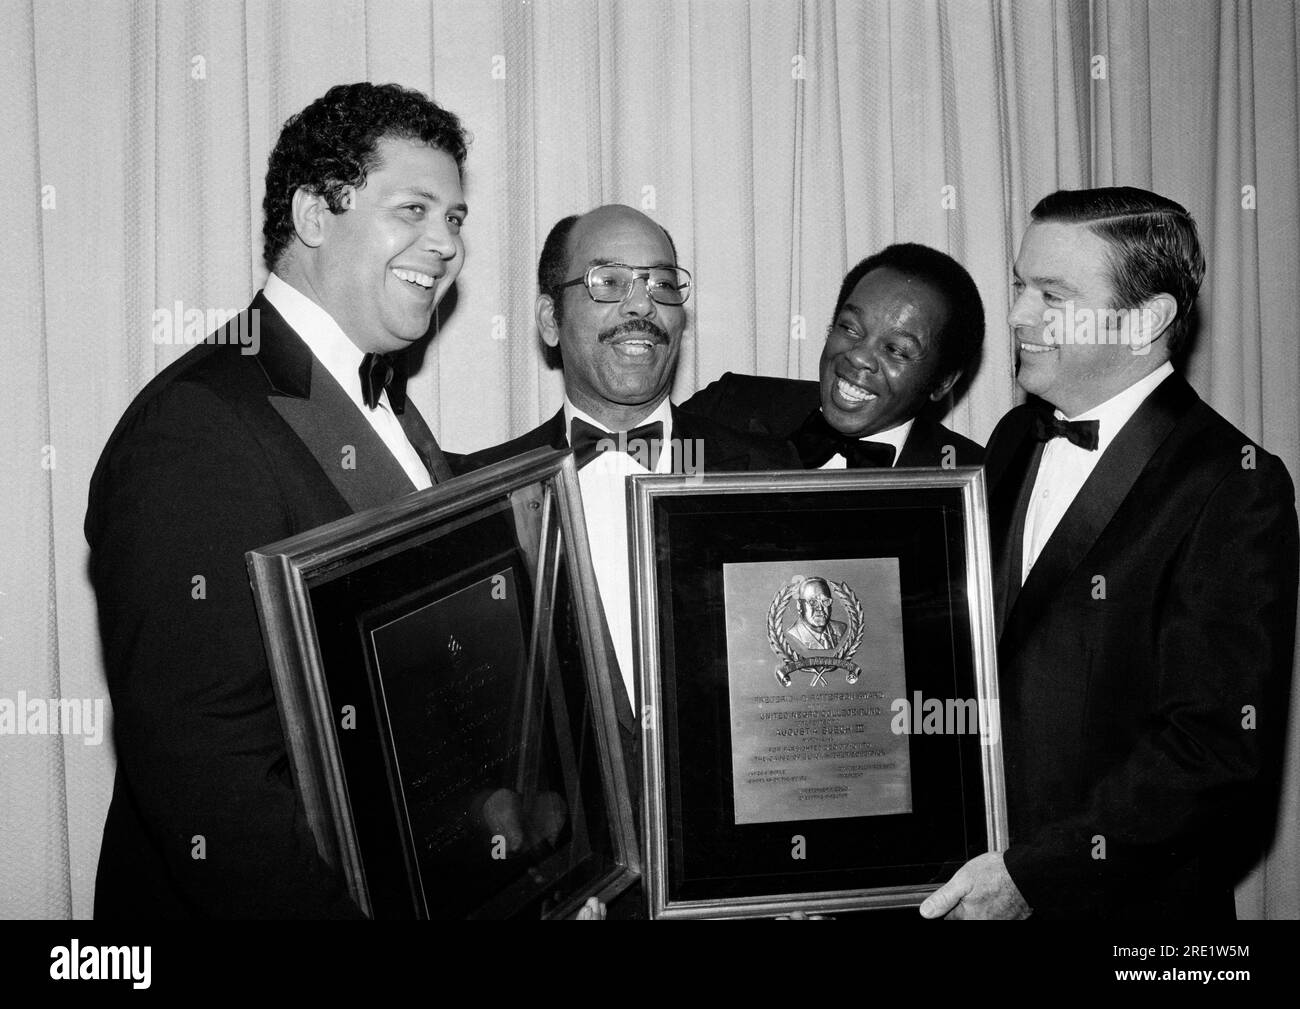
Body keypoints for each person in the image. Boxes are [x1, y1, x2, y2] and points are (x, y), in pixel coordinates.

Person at [86, 82, 471, 917]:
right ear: (312, 214)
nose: (443, 243)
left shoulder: (383, 399)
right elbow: (213, 784)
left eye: (455, 219)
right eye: (414, 208)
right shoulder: (193, 429)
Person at [921, 186, 1298, 920]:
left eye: (1053, 296)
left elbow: (1217, 752)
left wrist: (1035, 877)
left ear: (1148, 319)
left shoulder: (1233, 484)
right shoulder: (1008, 440)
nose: (1021, 316)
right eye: (1020, 287)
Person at [463, 204, 797, 798]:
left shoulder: (773, 475)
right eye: (608, 282)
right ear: (549, 318)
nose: (642, 306)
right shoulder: (479, 495)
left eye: (662, 284)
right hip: (568, 860)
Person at [681, 243, 985, 469]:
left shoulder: (975, 477)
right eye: (850, 329)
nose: (859, 357)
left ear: (943, 381)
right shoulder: (729, 407)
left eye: (896, 350)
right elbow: (638, 458)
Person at [784, 577, 847, 651]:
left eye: (825, 601)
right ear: (800, 605)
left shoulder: (840, 628)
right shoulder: (794, 634)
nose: (820, 608)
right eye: (813, 602)